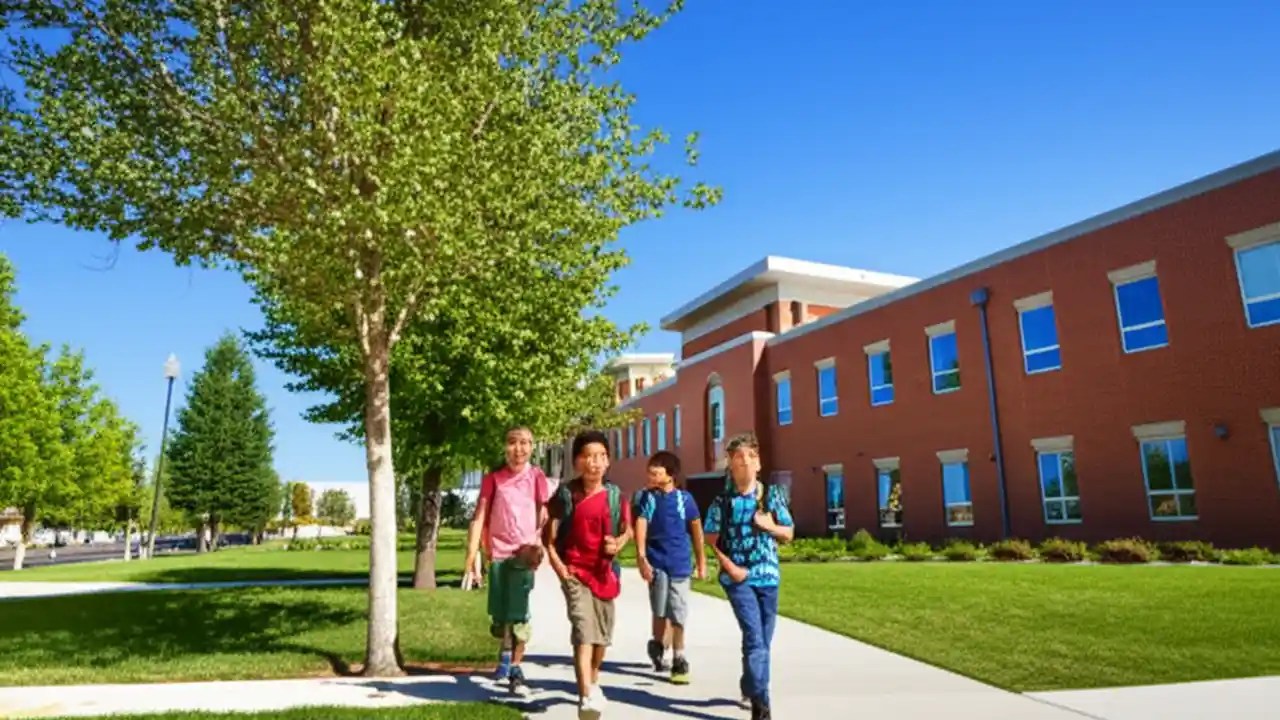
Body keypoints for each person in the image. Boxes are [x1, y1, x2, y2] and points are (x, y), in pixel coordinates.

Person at [702, 432, 794, 720]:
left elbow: (788, 533)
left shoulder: (772, 496)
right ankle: (761, 703)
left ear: (758, 463)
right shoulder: (722, 502)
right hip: (738, 578)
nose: (745, 462)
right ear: (730, 464)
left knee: (762, 641)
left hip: (769, 576)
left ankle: (750, 683)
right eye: (738, 458)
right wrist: (730, 568)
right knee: (755, 638)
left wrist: (769, 526)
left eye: (750, 457)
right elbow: (711, 538)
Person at [543, 429, 632, 720]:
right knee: (584, 632)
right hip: (575, 572)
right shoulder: (567, 495)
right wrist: (560, 569)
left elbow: (627, 530)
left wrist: (618, 543)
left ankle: (593, 682)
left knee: (601, 638)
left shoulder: (616, 495)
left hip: (606, 573)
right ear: (578, 461)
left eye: (600, 456)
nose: (595, 463)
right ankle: (585, 698)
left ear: (607, 461)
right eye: (588, 457)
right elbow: (549, 538)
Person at [463, 426, 549, 697]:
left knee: (519, 614)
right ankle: (506, 648)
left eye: (525, 443)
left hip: (524, 555)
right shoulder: (493, 480)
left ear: (532, 448)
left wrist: (539, 547)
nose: (519, 449)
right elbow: (479, 518)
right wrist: (471, 557)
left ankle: (515, 669)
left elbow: (544, 515)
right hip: (498, 553)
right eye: (513, 443)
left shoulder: (536, 477)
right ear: (505, 447)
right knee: (501, 619)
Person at [635, 450, 706, 685]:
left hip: (679, 564)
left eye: (656, 471)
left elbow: (696, 529)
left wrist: (701, 561)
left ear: (670, 475)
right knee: (660, 610)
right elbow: (641, 523)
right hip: (657, 564)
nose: (651, 475)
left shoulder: (684, 500)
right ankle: (657, 645)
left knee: (678, 612)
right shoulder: (648, 498)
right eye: (650, 471)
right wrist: (642, 556)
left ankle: (679, 658)